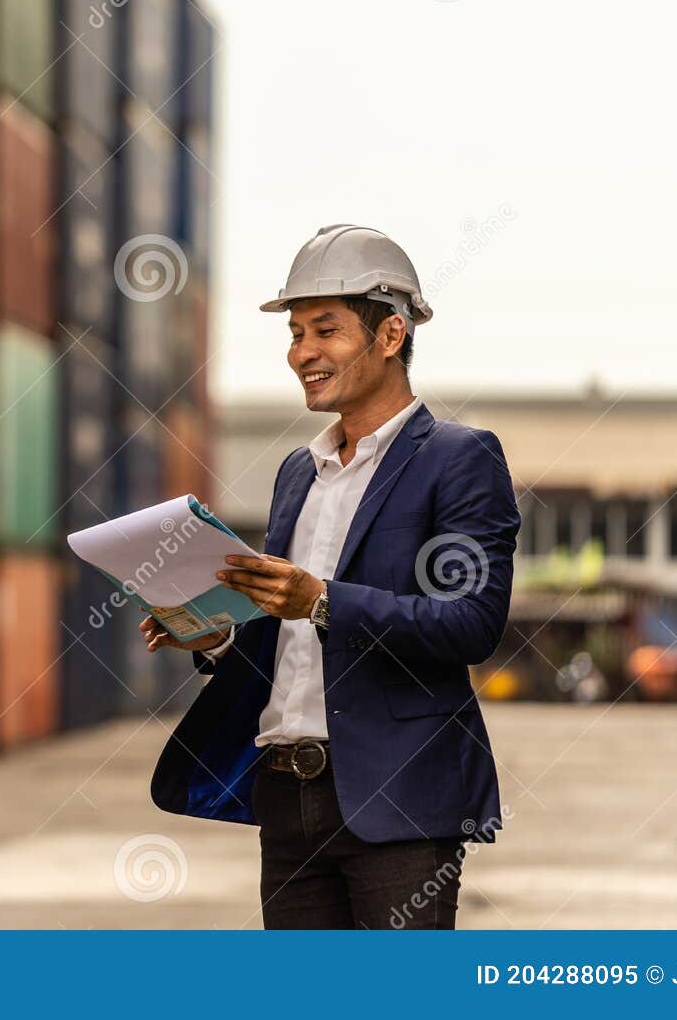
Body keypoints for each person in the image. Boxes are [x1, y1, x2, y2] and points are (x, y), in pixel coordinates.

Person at [145, 225, 520, 929]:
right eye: (294, 333)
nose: (302, 353)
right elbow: (285, 634)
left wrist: (320, 599)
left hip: (400, 798)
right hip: (287, 797)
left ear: (390, 334)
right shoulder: (297, 471)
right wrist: (215, 632)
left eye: (326, 330)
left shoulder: (459, 459)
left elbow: (472, 622)